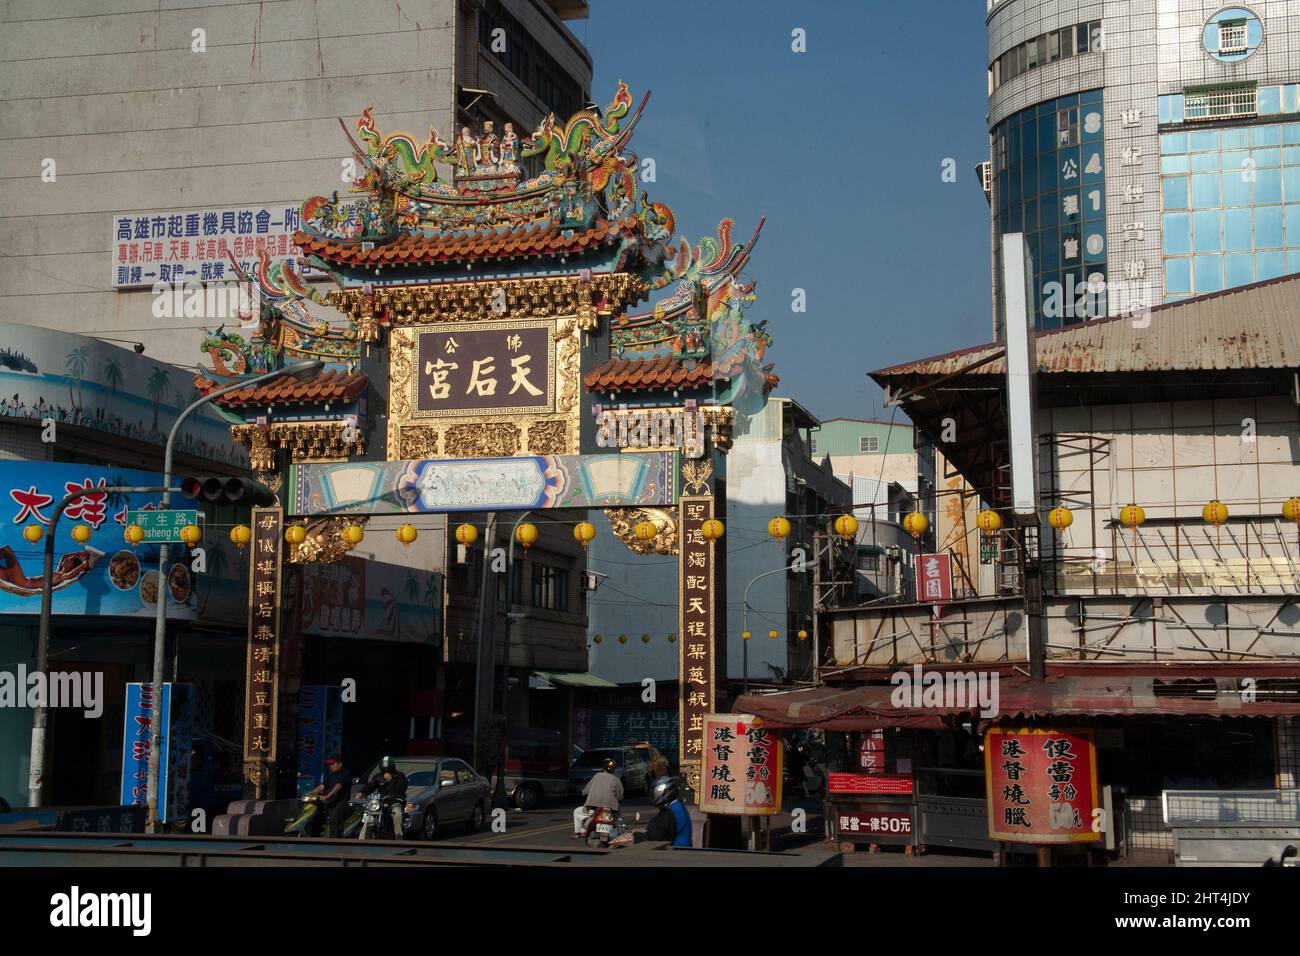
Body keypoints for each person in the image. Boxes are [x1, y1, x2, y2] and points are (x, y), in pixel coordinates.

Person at [575, 757, 624, 839]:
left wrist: (581, 792)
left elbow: (586, 790)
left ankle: (582, 831)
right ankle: (617, 828)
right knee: (617, 818)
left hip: (594, 805)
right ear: (613, 769)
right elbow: (620, 796)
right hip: (611, 807)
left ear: (603, 767)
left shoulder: (596, 776)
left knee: (588, 815)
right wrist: (618, 799)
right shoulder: (616, 779)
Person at [361, 755, 408, 839]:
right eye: (384, 767)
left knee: (397, 813)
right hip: (383, 801)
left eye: (387, 767)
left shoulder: (400, 776)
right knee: (370, 816)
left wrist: (391, 780)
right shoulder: (378, 776)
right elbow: (371, 785)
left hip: (396, 801)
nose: (386, 770)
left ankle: (398, 835)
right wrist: (362, 792)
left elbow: (402, 788)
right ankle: (362, 840)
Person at [640, 776, 692, 847]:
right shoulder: (677, 805)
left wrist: (635, 837)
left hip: (676, 852)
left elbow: (655, 834)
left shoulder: (671, 811)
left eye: (656, 792)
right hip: (681, 850)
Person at [310, 755, 351, 837]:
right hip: (330, 802)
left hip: (341, 803)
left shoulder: (345, 774)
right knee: (316, 815)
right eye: (329, 764)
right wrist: (309, 794)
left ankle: (333, 842)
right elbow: (322, 786)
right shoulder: (331, 775)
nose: (331, 766)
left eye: (333, 764)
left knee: (334, 819)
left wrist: (327, 796)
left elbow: (337, 787)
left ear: (340, 764)